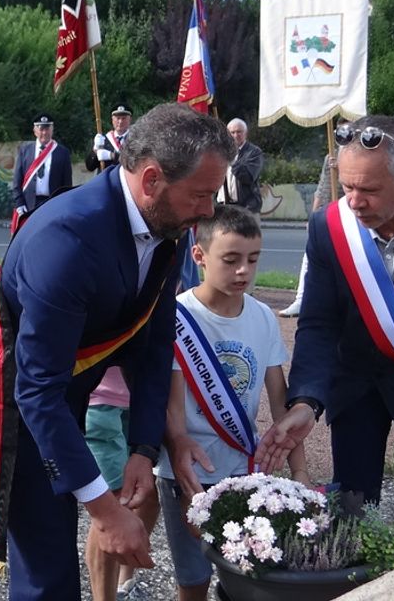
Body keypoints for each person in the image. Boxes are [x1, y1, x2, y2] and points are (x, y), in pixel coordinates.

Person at [0, 103, 234, 601]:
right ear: (152, 179)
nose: (209, 212)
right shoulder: (68, 240)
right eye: (201, 195)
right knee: (48, 561)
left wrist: (144, 446)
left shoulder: (170, 224)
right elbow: (35, 391)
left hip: (66, 380)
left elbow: (154, 347)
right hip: (12, 391)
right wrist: (105, 509)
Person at [256, 115, 394, 532]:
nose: (354, 202)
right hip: (356, 385)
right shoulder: (329, 227)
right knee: (350, 513)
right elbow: (319, 322)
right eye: (348, 185)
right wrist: (307, 401)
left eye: (369, 190)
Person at [158, 204, 310, 601]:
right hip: (187, 471)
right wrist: (178, 456)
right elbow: (172, 405)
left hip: (243, 468)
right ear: (199, 254)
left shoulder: (262, 317)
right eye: (231, 260)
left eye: (253, 260)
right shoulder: (176, 317)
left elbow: (282, 405)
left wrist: (301, 473)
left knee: (244, 572)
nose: (244, 270)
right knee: (193, 577)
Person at [82, 367, 160, 601]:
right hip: (98, 400)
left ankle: (124, 582)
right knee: (113, 508)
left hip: (144, 397)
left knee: (150, 492)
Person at [279, 153, 339, 318]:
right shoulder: (331, 156)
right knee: (310, 256)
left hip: (347, 212)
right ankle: (301, 300)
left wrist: (343, 168)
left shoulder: (362, 153)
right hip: (326, 212)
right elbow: (322, 187)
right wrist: (314, 214)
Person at [11, 114, 72, 223]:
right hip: (29, 205)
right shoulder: (25, 151)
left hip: (52, 204)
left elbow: (67, 185)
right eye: (41, 129)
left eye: (47, 129)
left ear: (52, 130)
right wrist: (19, 204)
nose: (44, 132)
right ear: (35, 130)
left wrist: (63, 206)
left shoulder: (62, 153)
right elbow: (16, 182)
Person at [216, 118, 265, 212]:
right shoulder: (221, 152)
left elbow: (248, 177)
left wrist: (232, 160)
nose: (235, 135)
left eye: (239, 132)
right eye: (232, 132)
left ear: (245, 134)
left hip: (246, 207)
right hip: (223, 206)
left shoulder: (254, 152)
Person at [85, 104, 132, 171]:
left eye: (124, 118)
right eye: (118, 118)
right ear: (112, 120)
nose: (120, 121)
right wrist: (95, 151)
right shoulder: (103, 140)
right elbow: (90, 167)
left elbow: (136, 162)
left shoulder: (135, 139)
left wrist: (112, 155)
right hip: (107, 180)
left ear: (130, 120)